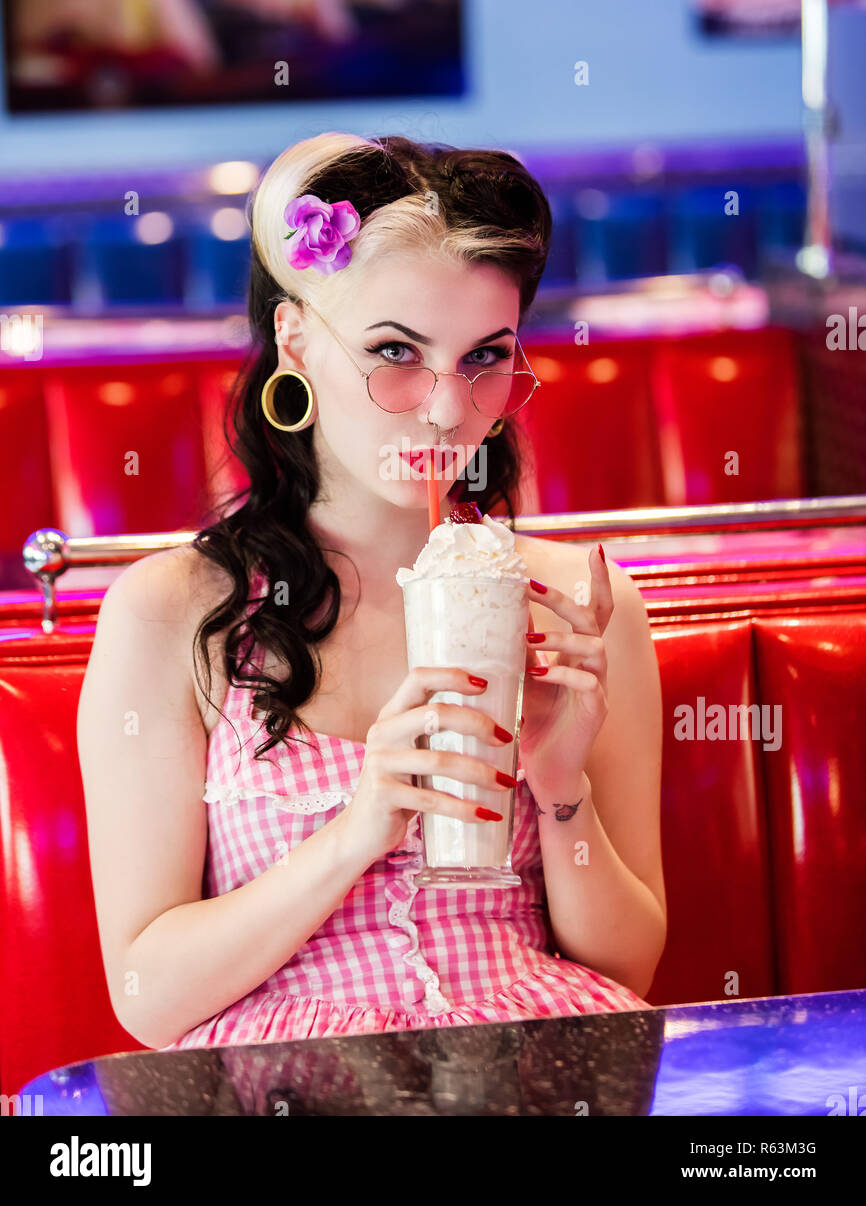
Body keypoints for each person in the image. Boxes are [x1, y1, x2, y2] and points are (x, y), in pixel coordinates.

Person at [77, 132, 666, 1055]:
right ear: (297, 339)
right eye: (395, 350)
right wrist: (360, 828)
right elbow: (147, 997)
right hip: (287, 1081)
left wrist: (559, 784)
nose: (444, 409)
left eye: (484, 358)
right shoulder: (174, 615)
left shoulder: (579, 602)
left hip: (538, 1062)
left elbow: (628, 967)